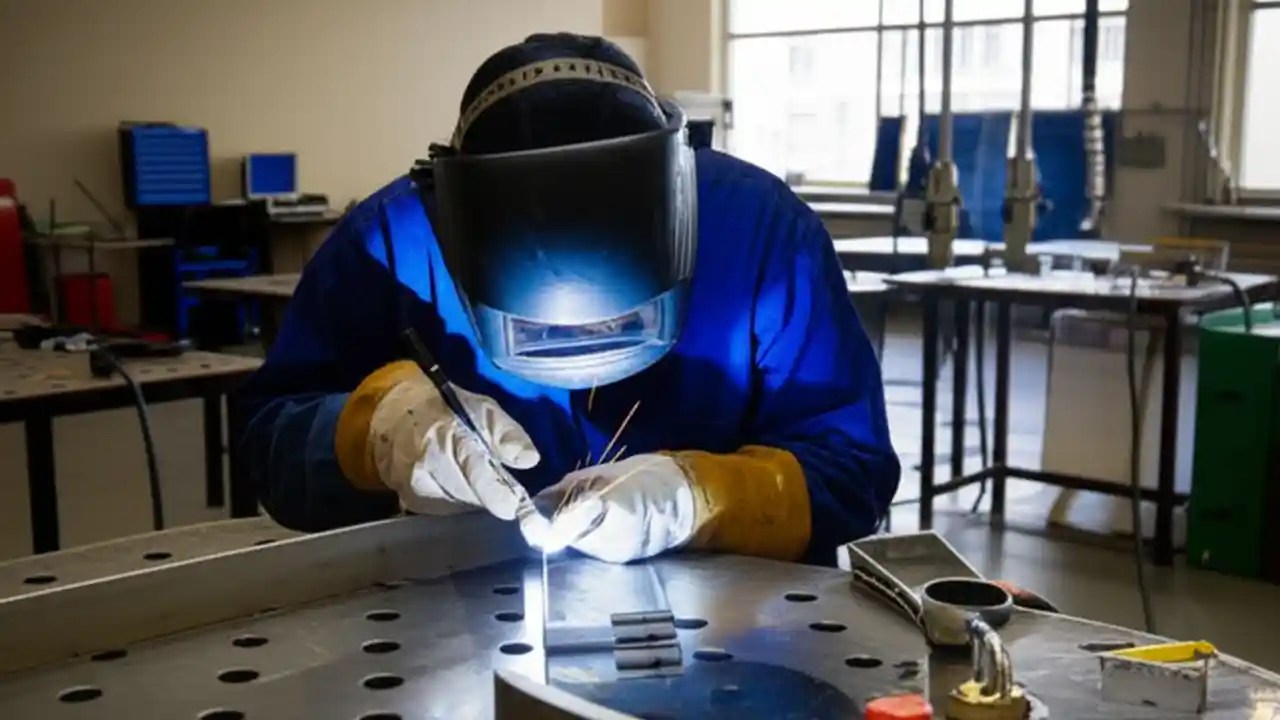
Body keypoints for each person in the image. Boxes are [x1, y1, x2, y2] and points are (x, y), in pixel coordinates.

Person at [239, 33, 899, 566]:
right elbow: (269, 444)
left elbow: (854, 471)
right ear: (461, 218)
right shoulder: (392, 243)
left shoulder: (762, 234)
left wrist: (703, 498)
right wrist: (374, 431)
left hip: (733, 629)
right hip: (444, 617)